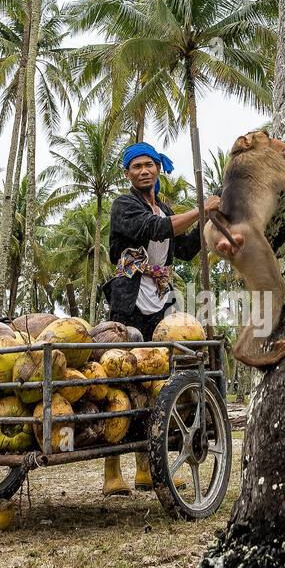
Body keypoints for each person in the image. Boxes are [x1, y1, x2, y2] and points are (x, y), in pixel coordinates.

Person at [99, 141, 220, 496]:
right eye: (135, 166)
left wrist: (209, 220)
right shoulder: (125, 206)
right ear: (127, 173)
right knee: (122, 380)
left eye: (148, 165)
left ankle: (144, 468)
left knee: (154, 383)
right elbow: (156, 229)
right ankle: (110, 471)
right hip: (129, 302)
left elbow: (181, 248)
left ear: (158, 168)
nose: (143, 171)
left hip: (160, 304)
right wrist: (201, 208)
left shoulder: (163, 206)